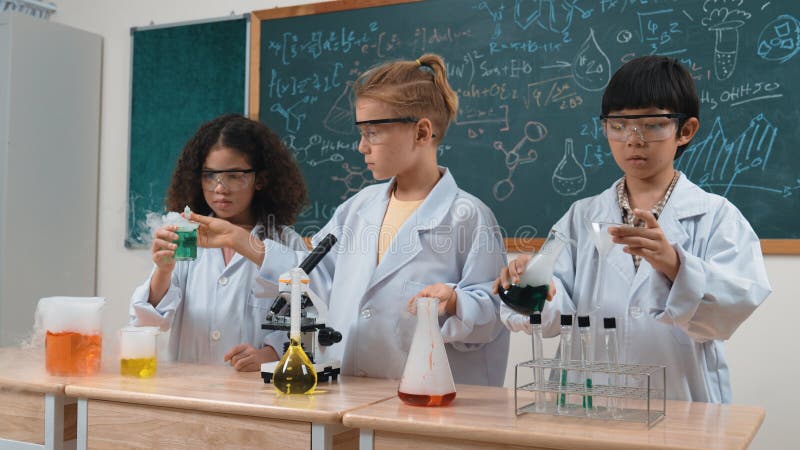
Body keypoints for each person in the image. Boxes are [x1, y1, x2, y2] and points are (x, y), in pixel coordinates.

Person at [495, 56, 771, 402]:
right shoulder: (581, 216)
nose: (634, 139)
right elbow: (554, 318)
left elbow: (732, 310)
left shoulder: (716, 217)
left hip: (681, 402)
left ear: (685, 131)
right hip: (588, 400)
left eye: (653, 125)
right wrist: (533, 284)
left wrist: (674, 264)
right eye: (619, 125)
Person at [244, 54, 509, 386]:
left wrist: (455, 302)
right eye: (361, 133)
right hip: (353, 397)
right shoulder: (357, 209)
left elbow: (494, 316)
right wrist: (240, 242)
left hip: (431, 409)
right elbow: (314, 275)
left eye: (372, 132)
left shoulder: (468, 218)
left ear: (422, 132)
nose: (361, 146)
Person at [130, 114, 309, 371]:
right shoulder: (187, 235)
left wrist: (269, 354)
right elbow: (149, 323)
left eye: (234, 175)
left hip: (255, 396)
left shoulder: (285, 244)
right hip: (190, 391)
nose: (220, 188)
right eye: (210, 175)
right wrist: (163, 270)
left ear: (260, 179)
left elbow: (307, 318)